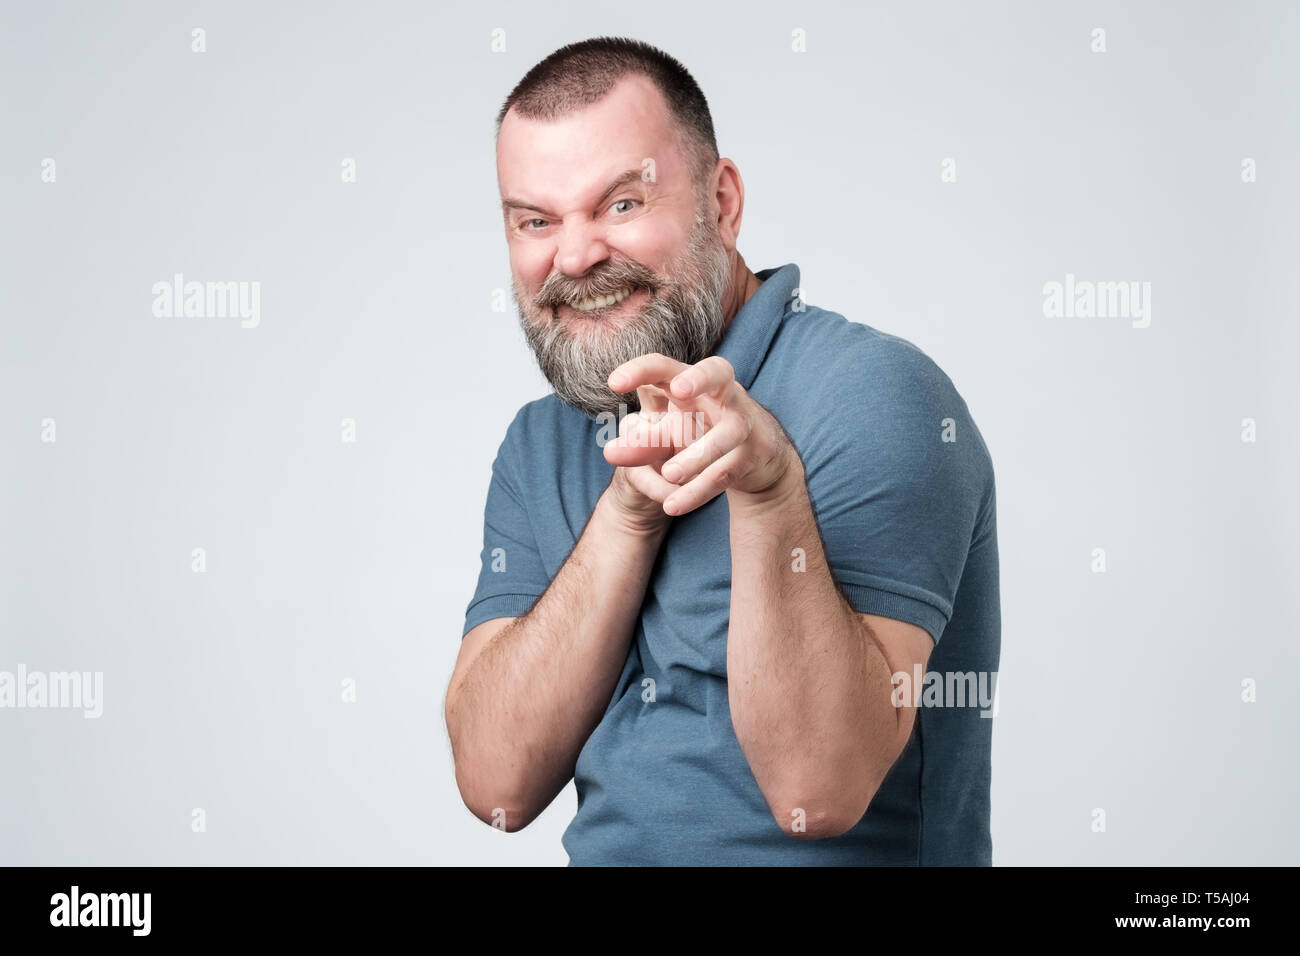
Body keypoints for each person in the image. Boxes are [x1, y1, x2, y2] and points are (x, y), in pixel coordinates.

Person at [445, 36, 1001, 865]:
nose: (573, 256)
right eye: (536, 221)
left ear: (723, 201)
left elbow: (820, 792)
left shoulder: (877, 396)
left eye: (621, 205)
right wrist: (629, 514)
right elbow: (497, 787)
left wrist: (771, 492)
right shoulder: (539, 442)